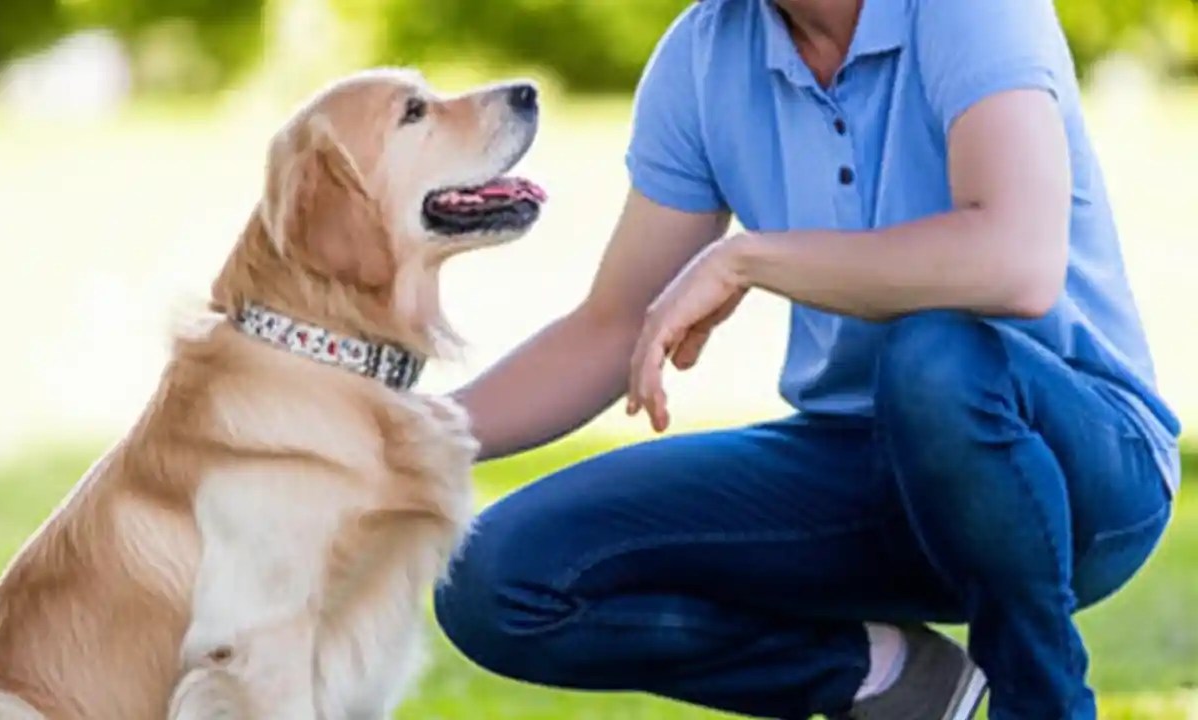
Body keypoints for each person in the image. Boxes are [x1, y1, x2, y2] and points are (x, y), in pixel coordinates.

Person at [432, 0, 1181, 718]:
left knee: (936, 356)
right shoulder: (703, 54)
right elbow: (615, 324)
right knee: (499, 575)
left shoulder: (968, 7)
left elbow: (1015, 263)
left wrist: (750, 260)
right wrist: (400, 431)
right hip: (861, 465)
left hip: (1080, 466)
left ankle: (1041, 705)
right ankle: (884, 677)